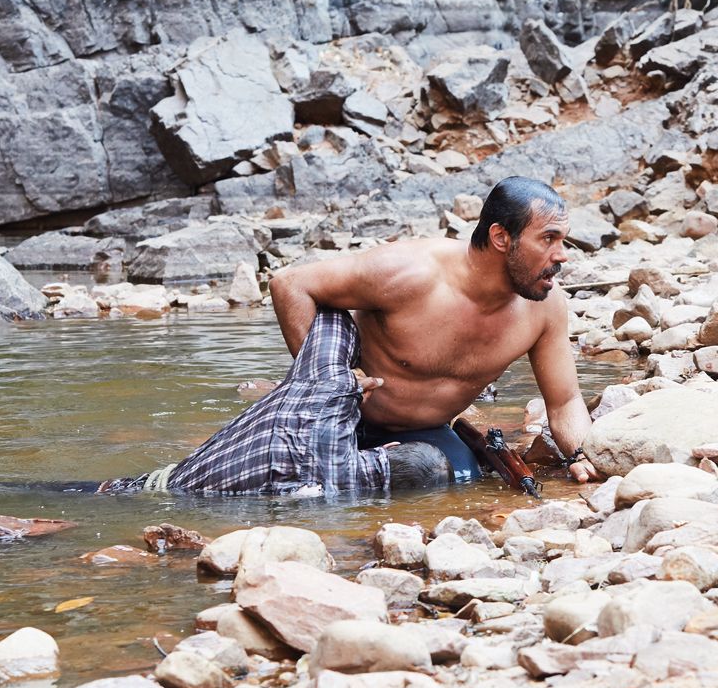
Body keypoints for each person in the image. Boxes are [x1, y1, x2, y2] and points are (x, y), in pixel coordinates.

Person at [98, 176, 598, 495]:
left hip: (423, 431)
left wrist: (581, 456)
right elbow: (290, 284)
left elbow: (565, 400)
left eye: (564, 240)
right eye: (549, 239)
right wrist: (330, 385)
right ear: (500, 237)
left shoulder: (545, 308)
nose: (562, 255)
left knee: (456, 481)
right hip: (339, 421)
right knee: (270, 492)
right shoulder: (408, 272)